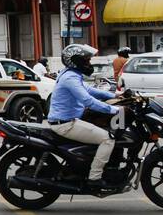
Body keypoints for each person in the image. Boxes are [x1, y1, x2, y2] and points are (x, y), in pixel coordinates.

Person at [46, 44, 120, 188]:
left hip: (69, 120)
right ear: (76, 61)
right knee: (108, 139)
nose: (89, 64)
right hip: (66, 124)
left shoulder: (71, 74)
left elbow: (91, 91)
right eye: (86, 60)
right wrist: (113, 109)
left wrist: (117, 95)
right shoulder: (70, 78)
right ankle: (94, 178)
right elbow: (88, 100)